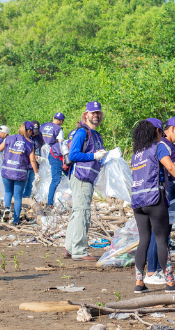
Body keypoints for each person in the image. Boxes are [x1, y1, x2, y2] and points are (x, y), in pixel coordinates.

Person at [131, 119, 175, 293]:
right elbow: (170, 167)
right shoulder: (159, 147)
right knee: (161, 239)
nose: (162, 136)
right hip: (154, 198)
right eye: (161, 132)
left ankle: (139, 283)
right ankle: (170, 283)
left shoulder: (137, 153)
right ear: (157, 132)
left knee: (144, 240)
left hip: (137, 201)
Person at [63, 102, 109, 261]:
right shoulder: (82, 132)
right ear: (86, 115)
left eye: (98, 113)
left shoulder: (97, 136)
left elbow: (97, 157)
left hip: (89, 177)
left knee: (78, 211)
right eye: (92, 113)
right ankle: (79, 251)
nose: (95, 115)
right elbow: (73, 155)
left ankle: (69, 248)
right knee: (83, 212)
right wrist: (93, 156)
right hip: (81, 177)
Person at [0, 122, 39, 225]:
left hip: (7, 169)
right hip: (20, 172)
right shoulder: (29, 143)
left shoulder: (9, 138)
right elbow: (32, 160)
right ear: (28, 131)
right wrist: (36, 173)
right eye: (31, 132)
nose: (31, 134)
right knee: (18, 197)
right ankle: (15, 220)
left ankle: (6, 207)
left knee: (8, 192)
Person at [40, 113, 66, 207]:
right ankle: (49, 201)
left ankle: (40, 196)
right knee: (53, 178)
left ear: (53, 118)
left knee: (42, 176)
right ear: (61, 121)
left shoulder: (42, 126)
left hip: (41, 153)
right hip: (53, 154)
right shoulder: (59, 129)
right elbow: (61, 144)